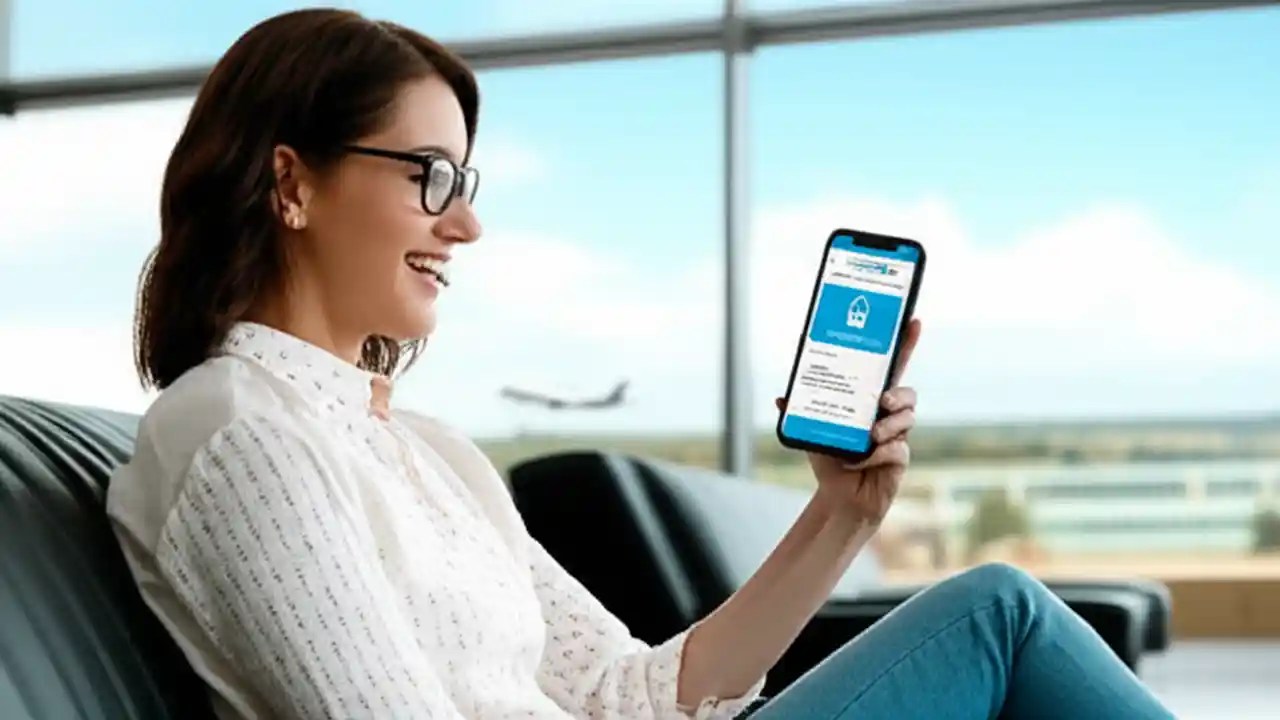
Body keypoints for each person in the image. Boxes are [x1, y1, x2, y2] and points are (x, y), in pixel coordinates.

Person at [105, 8, 1176, 720]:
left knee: (998, 614)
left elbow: (629, 693)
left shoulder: (421, 449)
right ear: (289, 184)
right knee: (996, 616)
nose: (465, 224)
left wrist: (841, 515)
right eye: (430, 176)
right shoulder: (240, 432)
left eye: (465, 180)